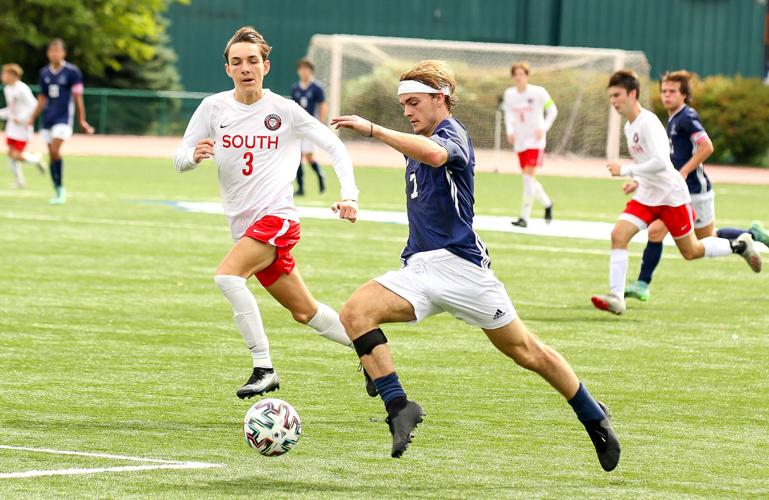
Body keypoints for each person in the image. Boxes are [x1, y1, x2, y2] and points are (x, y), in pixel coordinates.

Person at [331, 60, 620, 470]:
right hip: (419, 269)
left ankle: (594, 416)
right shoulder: (417, 140)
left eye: (414, 103)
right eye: (403, 106)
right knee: (355, 313)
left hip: (463, 271)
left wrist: (374, 130)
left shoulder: (452, 135)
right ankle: (399, 407)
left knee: (527, 352)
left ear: (440, 99)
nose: (408, 112)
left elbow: (435, 156)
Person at [173, 26, 367, 399]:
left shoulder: (285, 110)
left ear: (266, 65)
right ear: (228, 69)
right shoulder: (213, 108)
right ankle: (372, 354)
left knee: (227, 278)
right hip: (245, 227)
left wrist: (351, 196)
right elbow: (180, 155)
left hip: (277, 219)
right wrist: (192, 158)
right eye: (237, 62)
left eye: (252, 61)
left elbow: (335, 146)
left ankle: (263, 367)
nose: (245, 68)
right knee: (305, 311)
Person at [592, 70, 761, 315]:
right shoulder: (631, 127)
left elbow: (662, 162)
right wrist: (637, 180)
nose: (613, 101)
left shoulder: (649, 122)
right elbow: (649, 162)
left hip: (672, 197)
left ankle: (740, 246)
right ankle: (617, 297)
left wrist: (626, 170)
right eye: (610, 96)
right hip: (648, 196)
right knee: (618, 235)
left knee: (691, 251)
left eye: (617, 95)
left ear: (632, 94)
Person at [28, 38, 94, 204]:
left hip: (64, 118)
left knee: (56, 150)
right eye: (52, 51)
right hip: (48, 118)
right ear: (48, 53)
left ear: (63, 53)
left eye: (58, 51)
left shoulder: (72, 72)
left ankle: (61, 190)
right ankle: (57, 188)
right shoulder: (44, 73)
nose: (54, 54)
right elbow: (42, 99)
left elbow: (78, 98)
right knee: (51, 153)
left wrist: (82, 120)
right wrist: (32, 118)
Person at [502, 61, 557, 228]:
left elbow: (553, 110)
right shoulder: (510, 94)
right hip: (520, 141)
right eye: (516, 75)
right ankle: (547, 203)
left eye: (522, 74)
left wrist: (543, 128)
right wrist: (510, 131)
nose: (519, 78)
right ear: (513, 77)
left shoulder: (539, 92)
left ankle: (524, 217)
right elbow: (508, 115)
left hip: (536, 141)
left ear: (527, 76)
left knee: (528, 178)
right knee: (529, 179)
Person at [0, 63, 45, 188]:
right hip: (12, 127)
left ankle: (36, 159)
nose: (2, 76)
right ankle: (20, 181)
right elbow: (11, 109)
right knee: (10, 154)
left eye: (5, 74)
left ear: (13, 75)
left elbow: (34, 105)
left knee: (16, 155)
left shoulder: (22, 88)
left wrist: (22, 118)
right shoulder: (7, 89)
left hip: (23, 127)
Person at [290, 58, 327, 195]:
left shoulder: (316, 87)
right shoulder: (295, 88)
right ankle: (300, 188)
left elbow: (323, 105)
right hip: (298, 128)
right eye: (301, 69)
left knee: (309, 157)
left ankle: (320, 175)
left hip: (311, 127)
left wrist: (321, 123)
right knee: (296, 157)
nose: (303, 72)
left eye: (306, 69)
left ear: (311, 71)